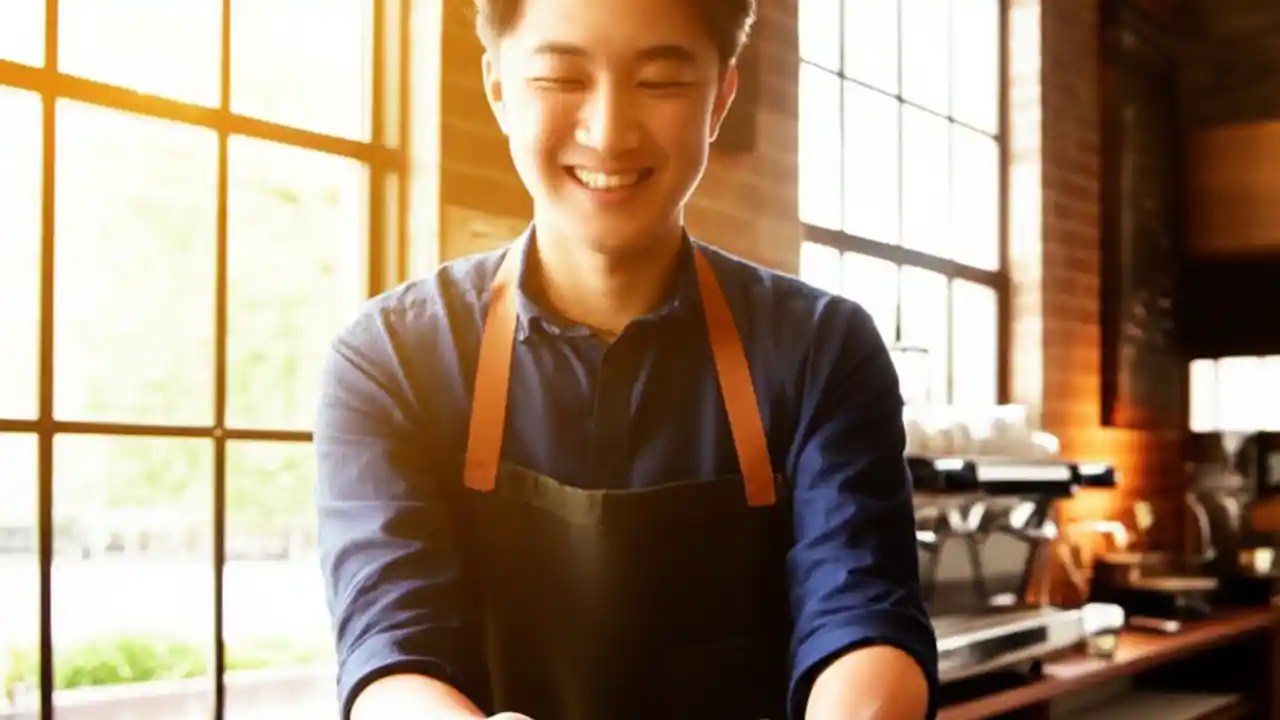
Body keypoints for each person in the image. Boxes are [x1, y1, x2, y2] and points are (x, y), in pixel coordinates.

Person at [314, 0, 938, 717]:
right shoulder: (391, 358)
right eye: (560, 78)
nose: (608, 133)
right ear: (499, 89)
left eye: (660, 82)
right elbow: (389, 650)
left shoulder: (823, 349)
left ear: (720, 98)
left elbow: (864, 612)